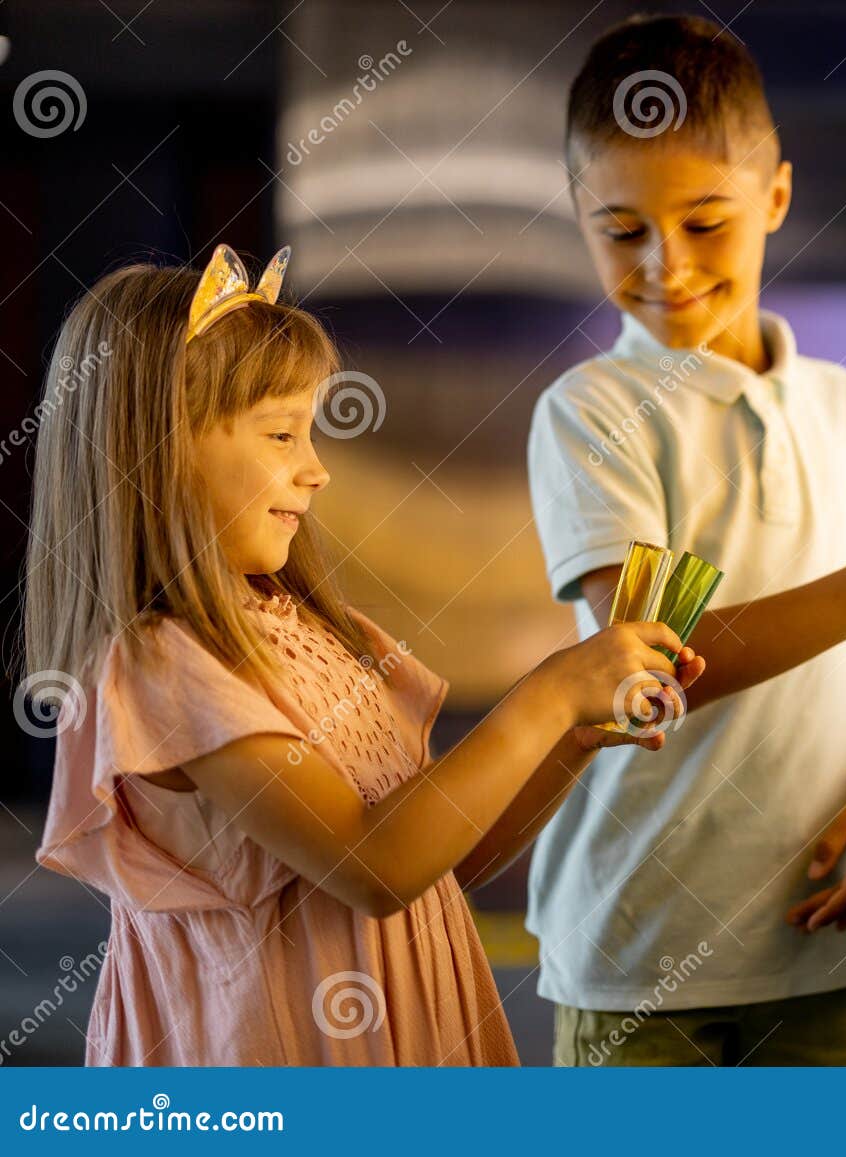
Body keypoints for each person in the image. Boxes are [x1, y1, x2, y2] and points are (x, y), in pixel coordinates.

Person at [26, 245, 702, 1065]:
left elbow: (443, 855)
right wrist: (553, 693)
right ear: (156, 448)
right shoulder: (166, 664)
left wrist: (574, 735)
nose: (315, 470)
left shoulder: (319, 630)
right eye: (282, 433)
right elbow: (375, 863)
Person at [524, 14, 846, 1066]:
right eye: (621, 230)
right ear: (580, 218)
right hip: (637, 953)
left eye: (705, 221)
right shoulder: (596, 410)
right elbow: (660, 665)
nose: (666, 262)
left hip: (807, 941)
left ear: (777, 199)